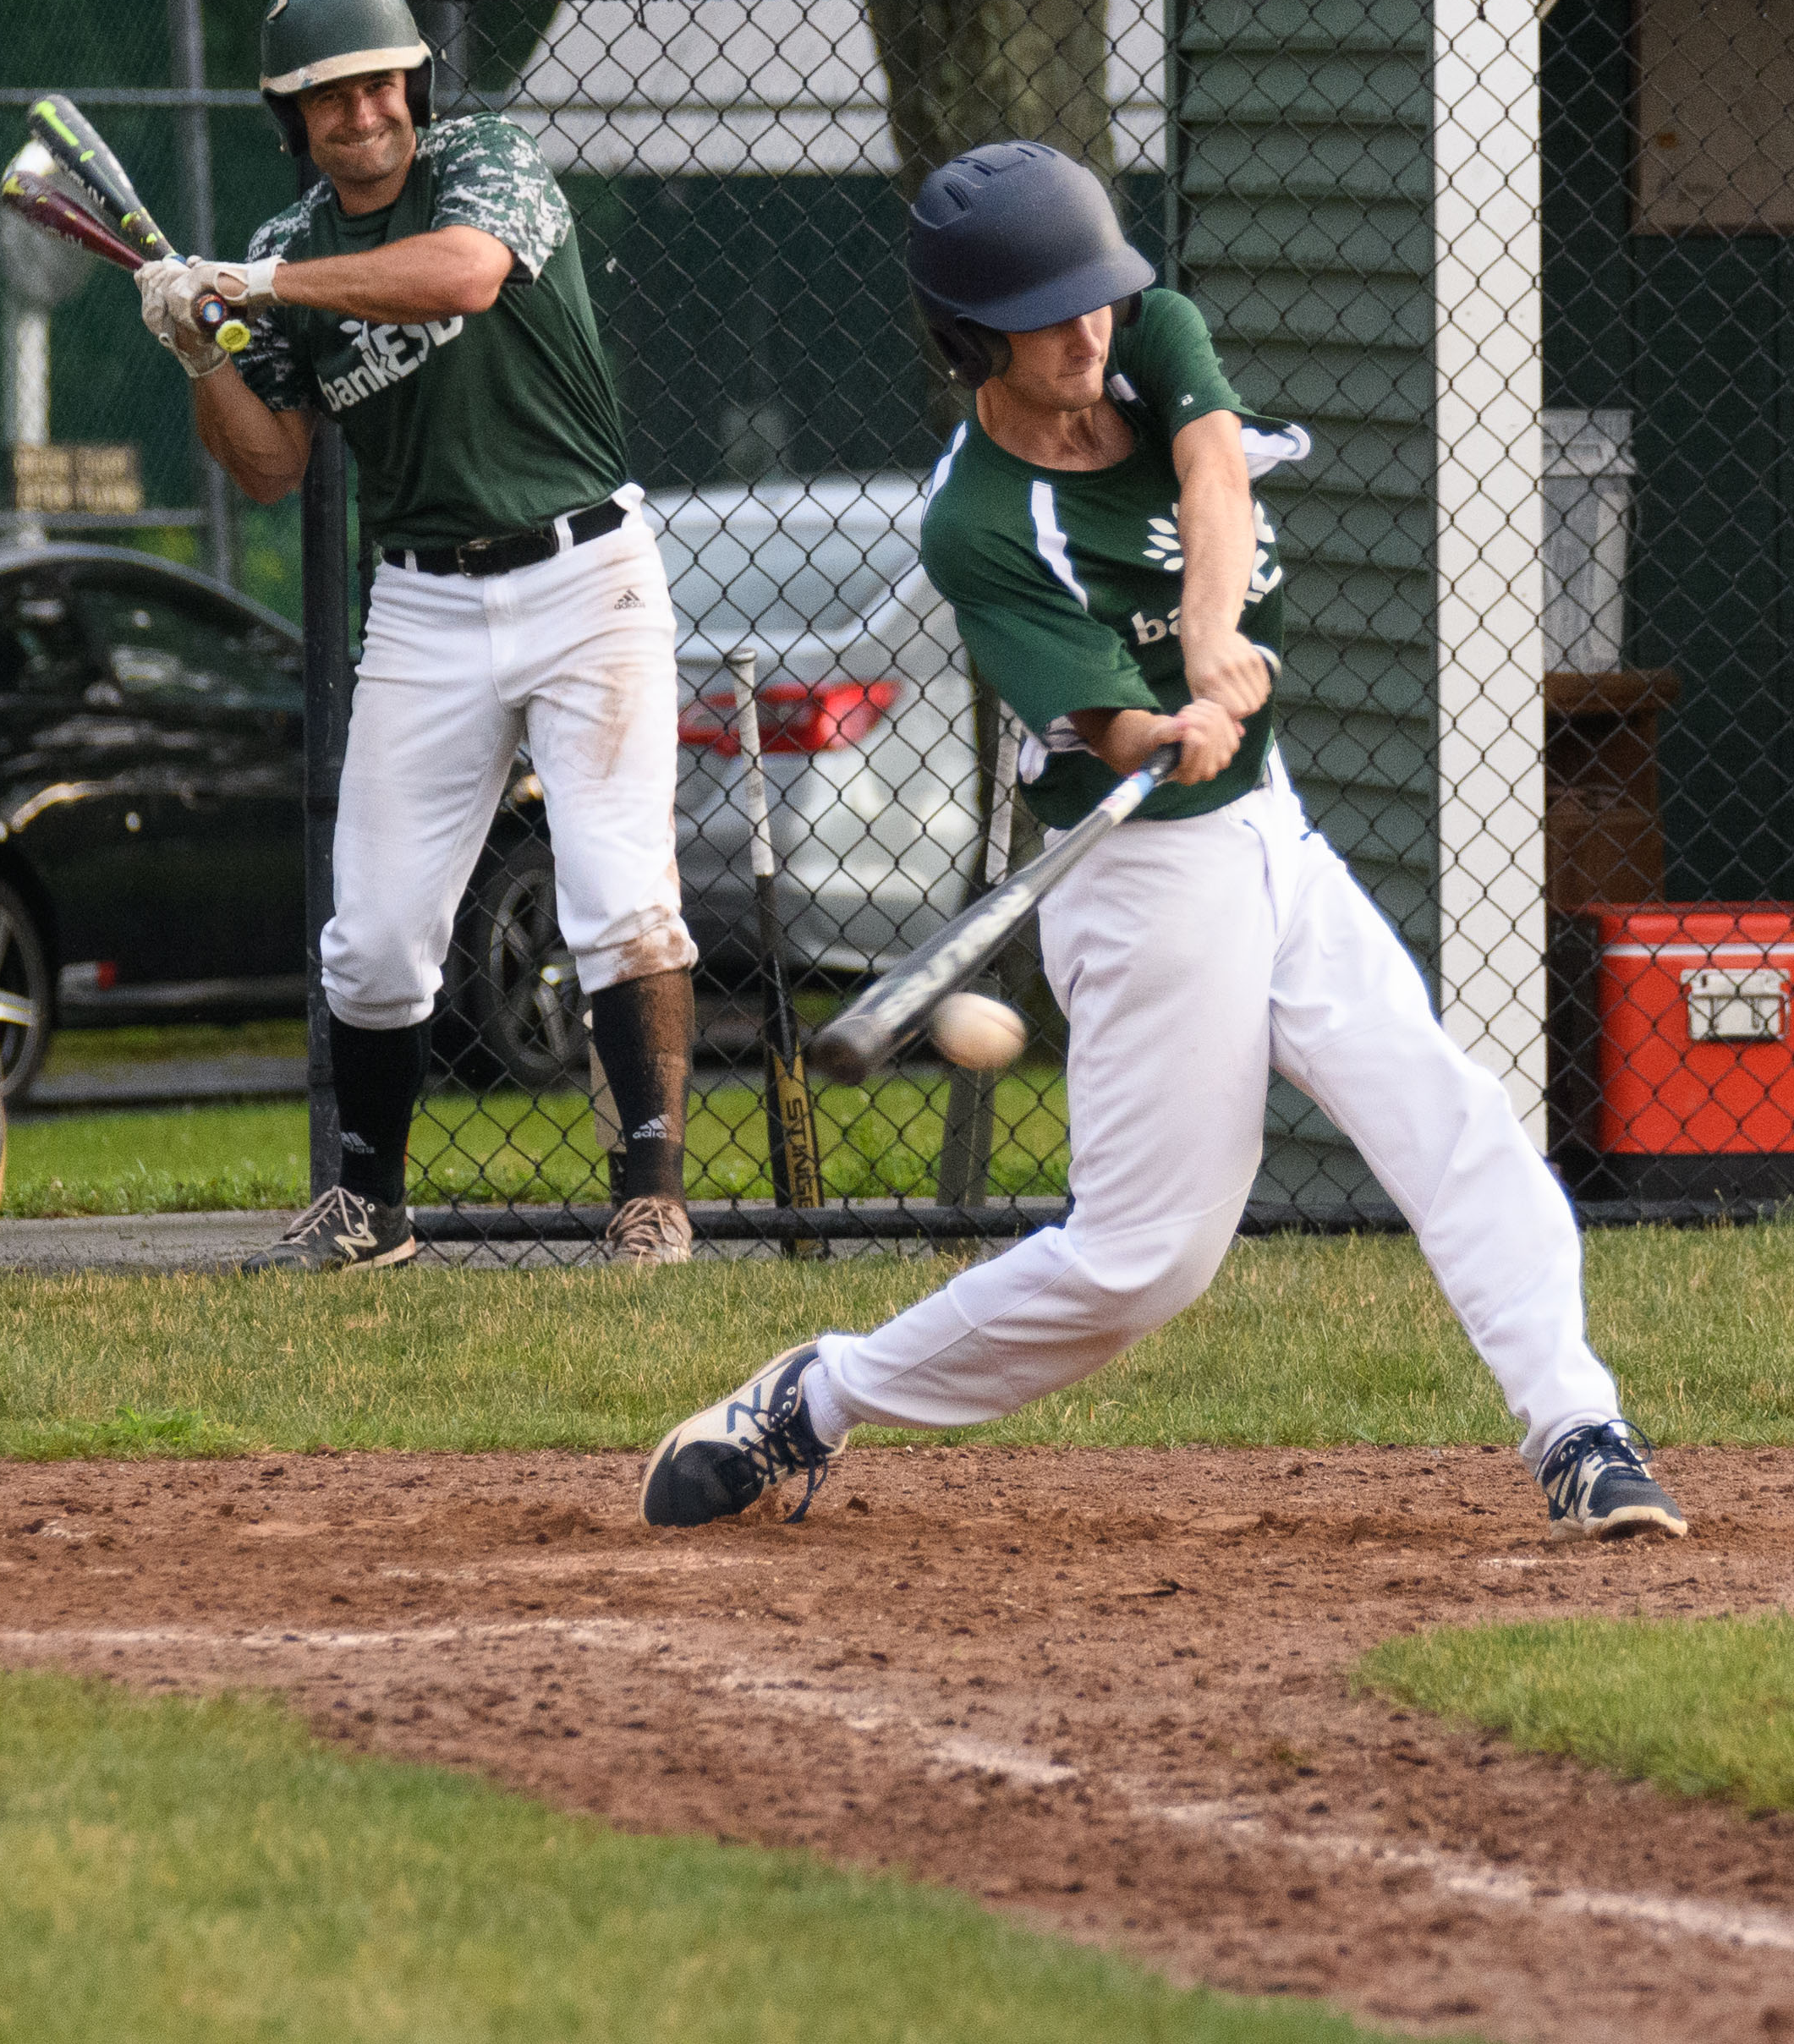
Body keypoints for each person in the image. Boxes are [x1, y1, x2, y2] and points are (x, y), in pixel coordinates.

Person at [639, 140, 1687, 1539]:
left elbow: (1212, 476)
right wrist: (1156, 722)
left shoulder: (1147, 332)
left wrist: (1206, 642)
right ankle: (818, 1393)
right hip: (1143, 875)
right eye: (1045, 316)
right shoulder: (978, 523)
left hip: (1266, 823)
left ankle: (1578, 1430)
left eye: (1095, 296)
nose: (1086, 331)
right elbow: (1111, 726)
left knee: (1447, 1113)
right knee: (1144, 1261)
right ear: (969, 339)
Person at [137, 0, 698, 1272]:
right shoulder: (288, 244)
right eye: (329, 96)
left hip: (585, 574)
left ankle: (651, 1198)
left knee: (618, 895)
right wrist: (202, 353)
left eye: (380, 83)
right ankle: (369, 1207)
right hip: (425, 603)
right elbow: (269, 464)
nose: (362, 112)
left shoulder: (481, 163)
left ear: (415, 86)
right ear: (294, 118)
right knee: (376, 933)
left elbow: (463, 276)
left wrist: (264, 288)